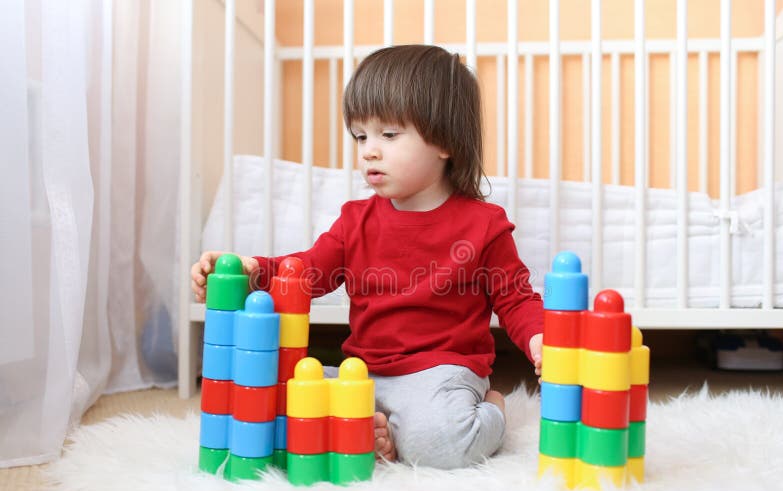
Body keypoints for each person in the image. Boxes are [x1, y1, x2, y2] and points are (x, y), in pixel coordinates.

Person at [191, 45, 544, 469]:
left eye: (388, 135)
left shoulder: (484, 225)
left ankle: (492, 409)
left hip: (438, 374)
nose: (368, 151)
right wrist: (253, 271)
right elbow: (308, 272)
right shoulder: (355, 221)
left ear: (445, 142)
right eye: (361, 136)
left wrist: (540, 339)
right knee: (282, 401)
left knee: (440, 445)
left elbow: (516, 298)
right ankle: (382, 429)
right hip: (362, 372)